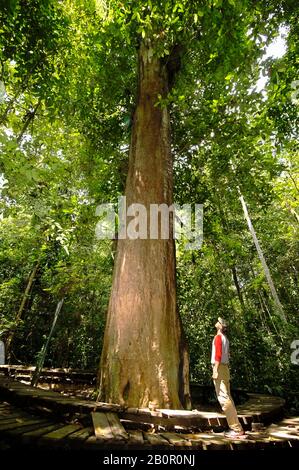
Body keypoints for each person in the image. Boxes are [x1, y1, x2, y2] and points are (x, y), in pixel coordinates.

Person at [211, 317, 245, 438]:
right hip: (225, 368)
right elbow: (227, 354)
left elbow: (218, 355)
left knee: (224, 398)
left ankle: (236, 429)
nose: (217, 322)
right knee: (228, 397)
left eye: (219, 322)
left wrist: (215, 370)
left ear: (221, 326)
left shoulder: (219, 337)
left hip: (220, 368)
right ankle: (236, 427)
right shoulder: (225, 339)